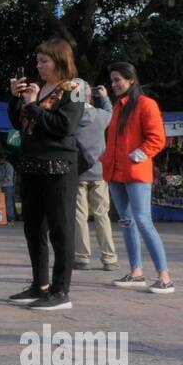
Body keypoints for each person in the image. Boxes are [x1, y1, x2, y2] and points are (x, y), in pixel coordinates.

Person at [7, 38, 84, 310]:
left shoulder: (73, 89)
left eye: (44, 61)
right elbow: (19, 122)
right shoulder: (37, 90)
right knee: (33, 228)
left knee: (61, 230)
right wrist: (18, 98)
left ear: (60, 61)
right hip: (32, 166)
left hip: (59, 167)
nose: (38, 66)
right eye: (37, 61)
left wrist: (32, 106)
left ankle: (60, 290)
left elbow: (63, 126)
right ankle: (39, 284)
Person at [103, 62, 174, 294]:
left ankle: (164, 277)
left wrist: (137, 156)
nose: (114, 84)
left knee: (143, 221)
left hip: (135, 173)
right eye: (112, 80)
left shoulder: (146, 104)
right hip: (115, 173)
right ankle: (136, 273)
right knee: (126, 221)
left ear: (131, 79)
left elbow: (157, 138)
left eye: (117, 80)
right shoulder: (118, 107)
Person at [72, 79, 119, 271]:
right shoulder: (101, 116)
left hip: (78, 171)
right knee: (102, 215)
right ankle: (109, 258)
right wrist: (106, 98)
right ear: (89, 95)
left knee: (79, 216)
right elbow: (112, 113)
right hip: (99, 172)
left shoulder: (70, 117)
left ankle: (82, 257)